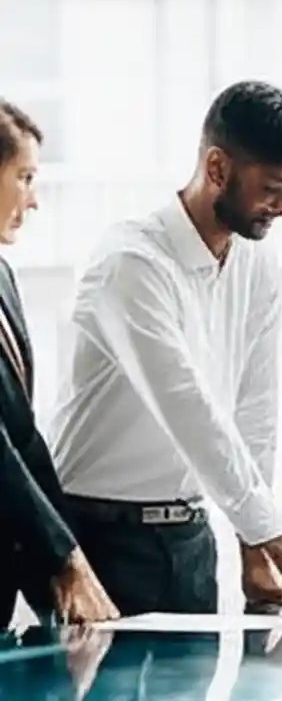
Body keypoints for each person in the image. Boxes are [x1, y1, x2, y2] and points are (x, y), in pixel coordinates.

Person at [46, 80, 282, 615]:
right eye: (273, 188)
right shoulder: (130, 263)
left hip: (191, 539)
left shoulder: (256, 262)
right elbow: (190, 412)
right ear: (218, 169)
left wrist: (254, 550)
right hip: (100, 541)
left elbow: (254, 410)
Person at [0, 99, 118, 627]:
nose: (33, 200)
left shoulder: (4, 277)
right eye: (24, 177)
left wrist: (68, 562)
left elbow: (23, 437)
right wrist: (63, 559)